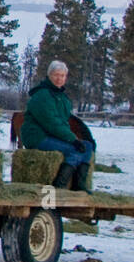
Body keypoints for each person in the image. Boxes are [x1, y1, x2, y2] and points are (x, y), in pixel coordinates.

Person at [21, 60, 95, 191]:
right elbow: (52, 123)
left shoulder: (63, 98)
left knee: (88, 146)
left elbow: (63, 122)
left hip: (52, 136)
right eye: (56, 75)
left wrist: (74, 139)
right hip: (38, 137)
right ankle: (59, 186)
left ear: (66, 78)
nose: (59, 79)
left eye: (62, 76)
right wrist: (72, 139)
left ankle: (79, 185)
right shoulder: (42, 96)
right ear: (49, 75)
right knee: (74, 149)